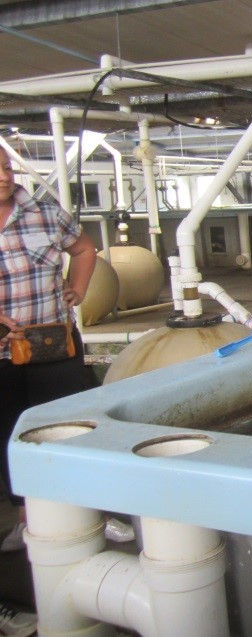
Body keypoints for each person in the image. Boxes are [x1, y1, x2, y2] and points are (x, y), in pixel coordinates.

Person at [0, 147, 98, 558]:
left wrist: (78, 287)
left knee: (72, 427)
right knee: (11, 435)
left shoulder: (44, 212)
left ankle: (89, 513)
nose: (3, 176)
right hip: (3, 355)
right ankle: (30, 519)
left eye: (5, 167)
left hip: (54, 344)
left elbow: (84, 249)